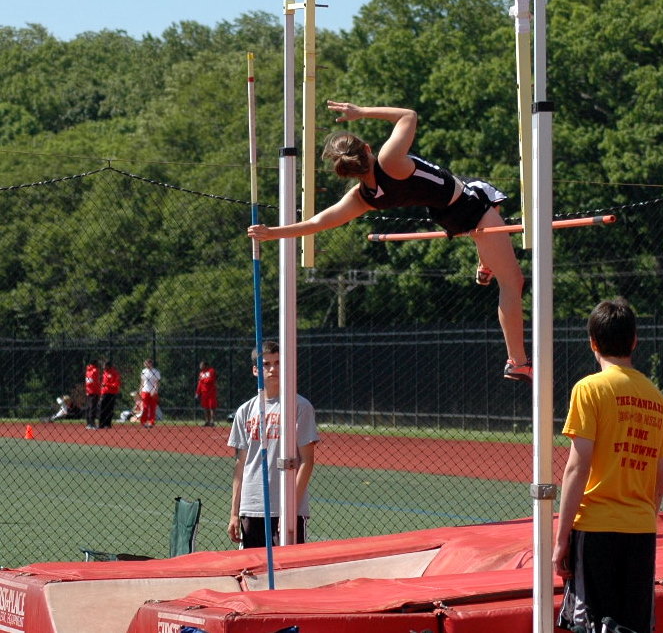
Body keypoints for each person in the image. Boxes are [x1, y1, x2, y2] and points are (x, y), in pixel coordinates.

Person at [248, 102, 530, 382]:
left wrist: (273, 232)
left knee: (494, 206)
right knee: (512, 281)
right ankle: (516, 361)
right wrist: (360, 112)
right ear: (367, 149)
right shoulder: (390, 159)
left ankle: (485, 263)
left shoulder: (364, 197)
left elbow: (318, 223)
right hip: (469, 206)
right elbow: (409, 114)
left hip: (449, 215)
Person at [553, 298, 663, 633]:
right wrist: (643, 517)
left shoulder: (589, 389)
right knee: (633, 626)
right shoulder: (656, 399)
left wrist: (561, 539)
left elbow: (578, 467)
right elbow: (659, 479)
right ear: (634, 341)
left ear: (593, 343)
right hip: (641, 529)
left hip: (596, 529)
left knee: (591, 624)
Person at [227, 340, 319, 549]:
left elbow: (307, 461)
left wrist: (289, 509)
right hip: (252, 506)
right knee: (252, 570)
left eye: (278, 363)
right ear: (255, 370)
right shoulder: (244, 411)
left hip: (285, 508)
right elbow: (241, 464)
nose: (272, 369)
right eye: (266, 364)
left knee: (289, 570)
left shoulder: (300, 407)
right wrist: (234, 512)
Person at [98, 360, 121, 428]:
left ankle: (108, 424)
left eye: (105, 366)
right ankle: (101, 424)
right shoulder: (104, 373)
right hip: (104, 393)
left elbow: (116, 384)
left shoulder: (115, 373)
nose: (103, 367)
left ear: (108, 366)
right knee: (102, 408)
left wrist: (107, 384)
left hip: (112, 393)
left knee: (110, 409)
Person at [139, 359, 161, 428]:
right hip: (145, 391)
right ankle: (143, 422)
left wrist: (154, 391)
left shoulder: (156, 372)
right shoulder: (143, 371)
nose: (145, 364)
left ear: (150, 363)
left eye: (147, 363)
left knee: (152, 407)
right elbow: (142, 381)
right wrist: (140, 390)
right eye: (145, 363)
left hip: (153, 392)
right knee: (145, 407)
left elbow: (157, 383)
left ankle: (151, 422)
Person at [195, 360, 218, 427]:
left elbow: (210, 380)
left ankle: (212, 421)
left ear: (205, 365)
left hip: (211, 393)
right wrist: (197, 392)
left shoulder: (211, 371)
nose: (200, 366)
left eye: (201, 365)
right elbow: (199, 384)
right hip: (204, 393)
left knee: (212, 407)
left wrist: (202, 380)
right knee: (205, 407)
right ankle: (207, 421)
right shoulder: (201, 373)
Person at [84, 359, 101, 429]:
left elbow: (88, 381)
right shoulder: (95, 370)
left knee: (89, 407)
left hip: (88, 391)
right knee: (93, 408)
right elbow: (95, 382)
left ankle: (88, 423)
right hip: (94, 391)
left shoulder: (88, 371)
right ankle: (92, 423)